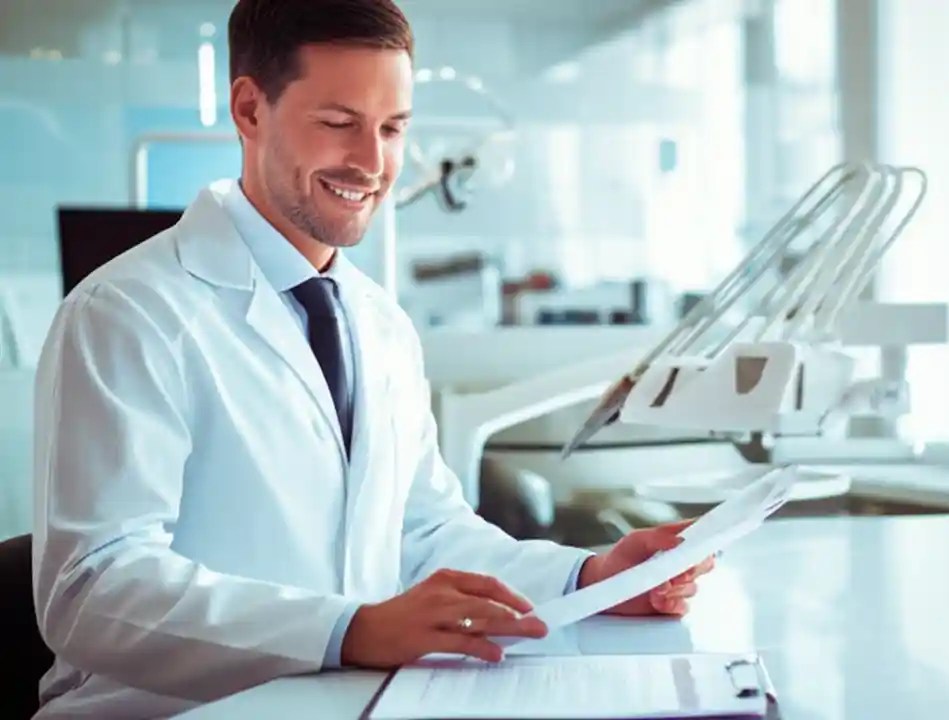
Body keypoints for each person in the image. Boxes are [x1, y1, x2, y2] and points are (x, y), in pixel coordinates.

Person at [29, 1, 713, 716]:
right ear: (248, 109)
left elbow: (425, 534)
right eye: (339, 123)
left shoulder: (378, 323)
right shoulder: (129, 312)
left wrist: (591, 578)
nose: (374, 163)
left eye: (393, 128)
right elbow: (93, 590)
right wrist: (349, 630)